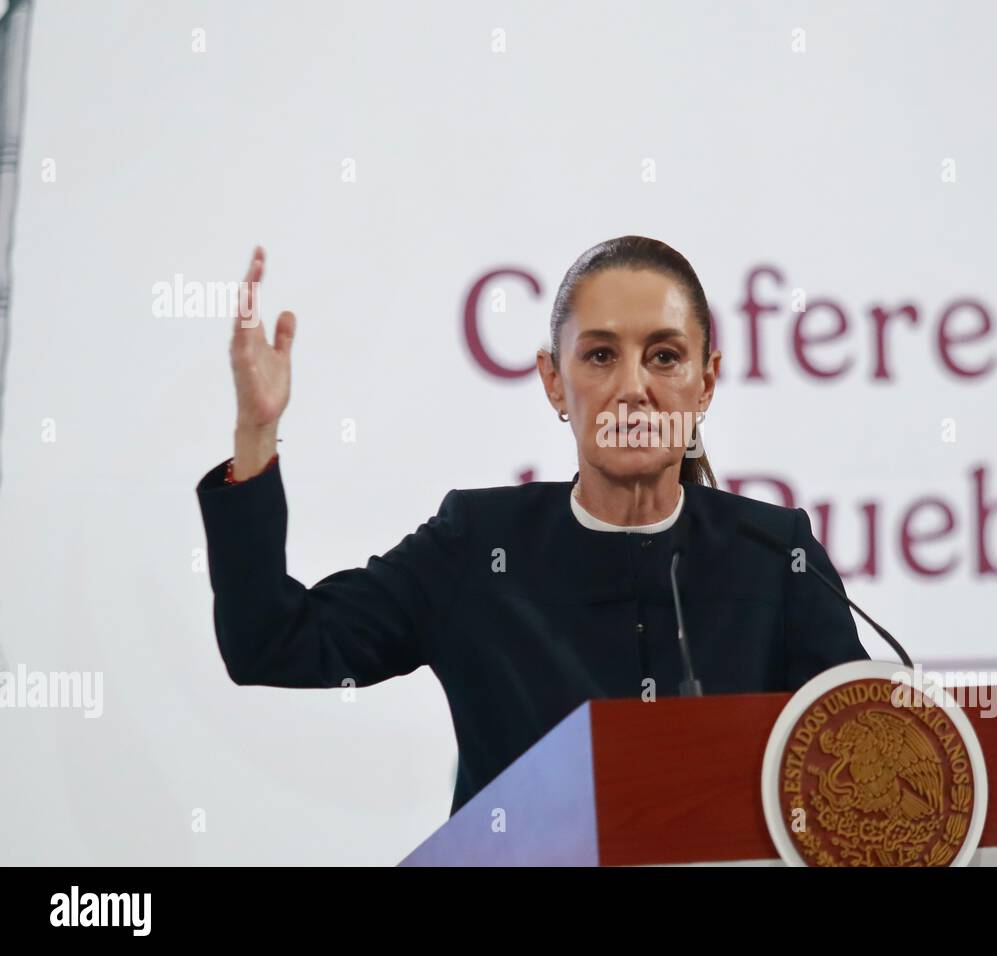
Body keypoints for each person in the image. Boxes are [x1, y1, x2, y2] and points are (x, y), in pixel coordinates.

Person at [196, 235, 869, 816]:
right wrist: (257, 432)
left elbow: (867, 767)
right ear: (553, 382)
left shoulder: (775, 556)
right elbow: (272, 643)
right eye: (600, 356)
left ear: (707, 381)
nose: (632, 387)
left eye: (664, 356)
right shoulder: (476, 545)